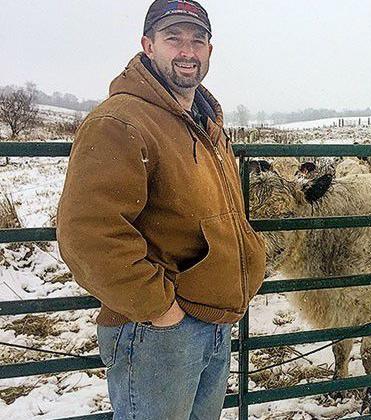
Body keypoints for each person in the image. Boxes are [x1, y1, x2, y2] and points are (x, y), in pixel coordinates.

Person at [56, 1, 267, 418]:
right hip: (157, 331)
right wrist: (160, 309)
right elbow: (88, 235)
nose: (187, 50)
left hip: (211, 321)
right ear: (148, 46)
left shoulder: (204, 121)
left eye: (197, 40)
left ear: (209, 50)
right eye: (173, 38)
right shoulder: (120, 122)